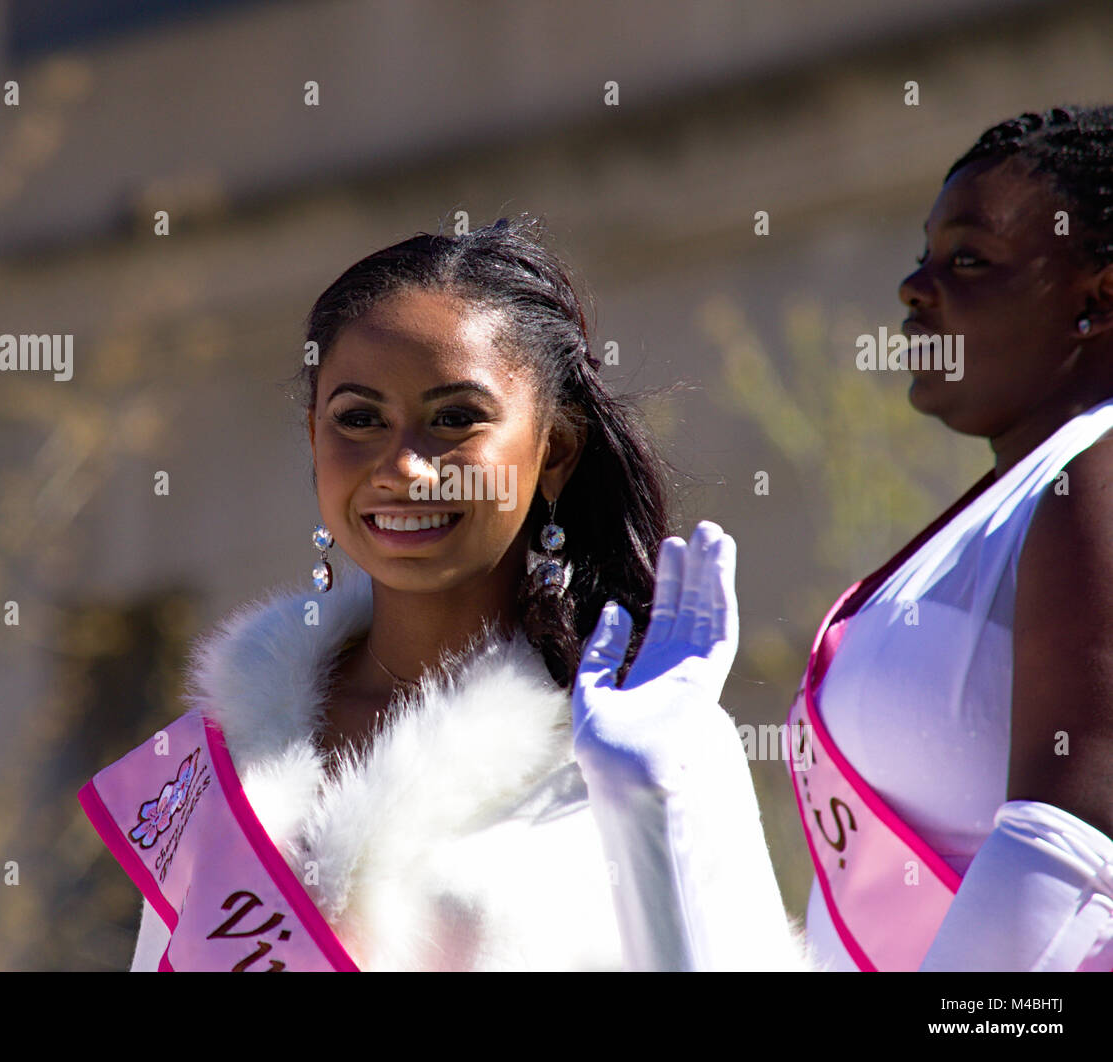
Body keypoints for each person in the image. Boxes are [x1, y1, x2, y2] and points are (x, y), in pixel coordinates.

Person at [79, 215, 808, 971]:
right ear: (312, 439)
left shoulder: (650, 738)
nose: (405, 468)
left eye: (455, 419)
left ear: (554, 448)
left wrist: (648, 810)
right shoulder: (228, 750)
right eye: (359, 419)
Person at [786, 105, 1113, 971]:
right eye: (922, 256)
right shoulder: (1024, 490)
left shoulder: (1104, 465)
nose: (914, 287)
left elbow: (1077, 852)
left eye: (968, 258)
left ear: (1097, 298)